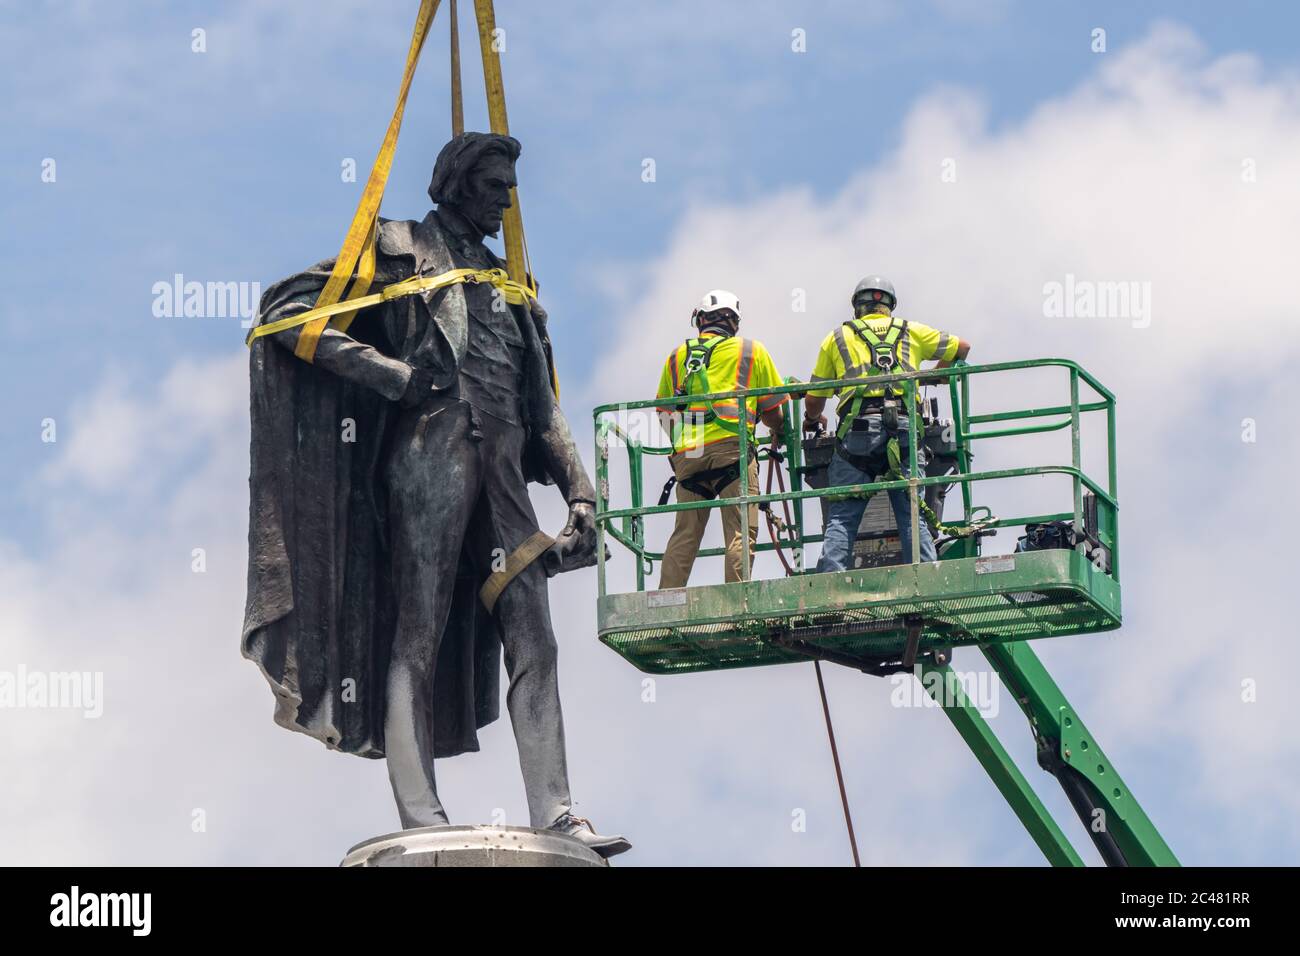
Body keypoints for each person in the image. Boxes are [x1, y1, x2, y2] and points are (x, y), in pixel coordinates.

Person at [243, 132, 629, 857]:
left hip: (506, 474)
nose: (507, 200)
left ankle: (560, 810)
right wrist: (388, 374)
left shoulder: (508, 280)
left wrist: (581, 493)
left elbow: (542, 405)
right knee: (417, 632)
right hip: (428, 456)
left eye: (510, 186)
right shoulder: (394, 245)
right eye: (494, 185)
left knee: (535, 639)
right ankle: (422, 814)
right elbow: (287, 315)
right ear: (455, 184)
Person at [803, 275, 970, 572]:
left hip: (857, 434)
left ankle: (832, 586)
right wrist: (933, 375)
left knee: (842, 515)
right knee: (911, 514)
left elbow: (815, 398)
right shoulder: (911, 331)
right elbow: (962, 348)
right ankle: (924, 583)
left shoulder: (838, 338)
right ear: (889, 307)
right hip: (906, 431)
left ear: (857, 307)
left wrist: (811, 419)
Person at [654, 290, 787, 588]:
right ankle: (737, 601)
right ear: (735, 323)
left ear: (700, 320)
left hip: (689, 455)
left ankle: (666, 600)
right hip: (733, 452)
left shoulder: (677, 356)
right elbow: (773, 412)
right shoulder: (751, 351)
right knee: (740, 530)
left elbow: (663, 411)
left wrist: (685, 443)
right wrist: (779, 429)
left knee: (685, 534)